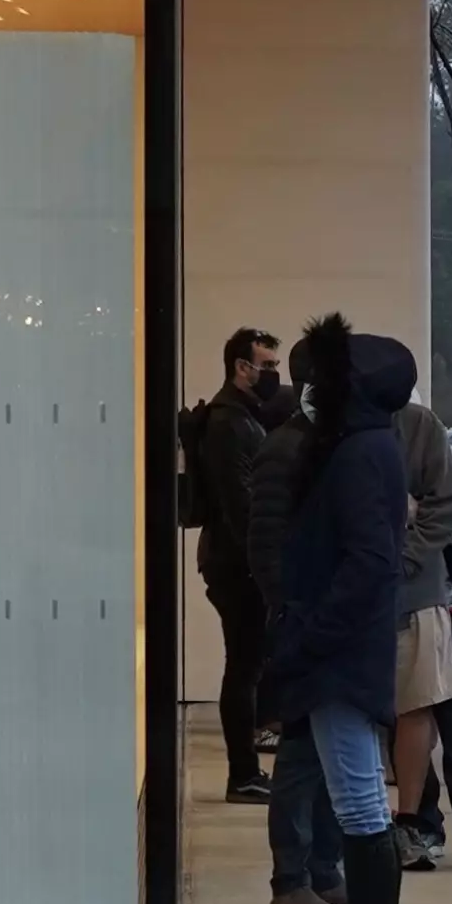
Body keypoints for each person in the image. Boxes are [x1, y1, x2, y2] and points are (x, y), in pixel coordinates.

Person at [261, 316, 415, 904]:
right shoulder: (368, 446)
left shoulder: (356, 454)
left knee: (358, 805)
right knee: (356, 800)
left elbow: (367, 562)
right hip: (342, 650)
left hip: (339, 658)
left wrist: (312, 637)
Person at [178, 328, 290, 805]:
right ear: (241, 367)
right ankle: (242, 774)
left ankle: (246, 770)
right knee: (243, 667)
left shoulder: (244, 417)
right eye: (265, 365)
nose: (272, 374)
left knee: (248, 665)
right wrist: (265, 563)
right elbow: (241, 504)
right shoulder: (229, 423)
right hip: (236, 564)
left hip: (237, 561)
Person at [392, 377, 452, 869]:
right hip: (406, 595)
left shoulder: (447, 454)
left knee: (451, 701)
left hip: (450, 595)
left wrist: (417, 509)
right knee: (409, 715)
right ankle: (422, 819)